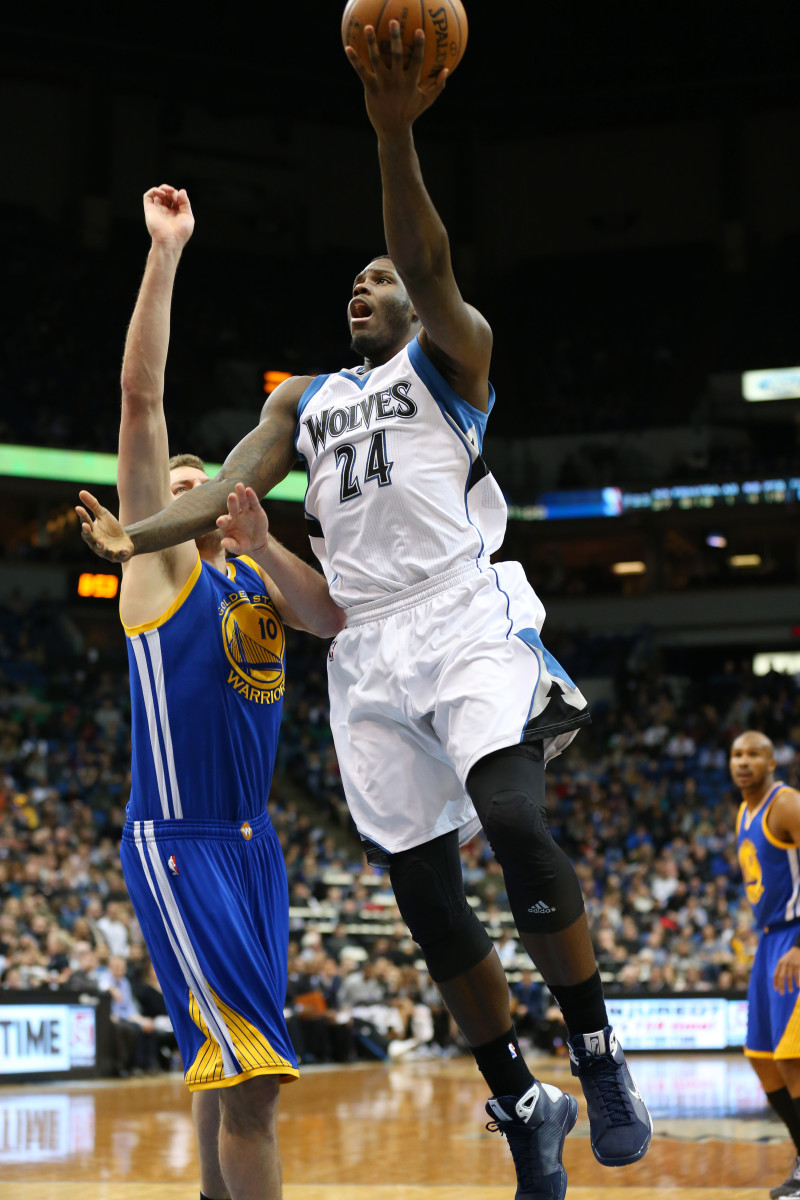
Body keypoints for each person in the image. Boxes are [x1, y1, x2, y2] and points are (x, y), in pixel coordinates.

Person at [77, 26, 651, 1198]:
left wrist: (392, 130)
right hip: (359, 655)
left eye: (377, 278)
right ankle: (516, 1097)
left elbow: (424, 257)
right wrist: (138, 535)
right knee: (423, 899)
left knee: (513, 818)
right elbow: (224, 468)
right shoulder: (305, 401)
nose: (365, 281)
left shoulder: (453, 356)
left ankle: (594, 1056)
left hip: (455, 618)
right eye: (356, 278)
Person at [76, 184, 344, 1200]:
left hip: (252, 841)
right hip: (179, 837)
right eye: (173, 481)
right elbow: (141, 400)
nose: (185, 485)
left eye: (204, 478)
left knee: (222, 1056)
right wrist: (165, 251)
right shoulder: (160, 571)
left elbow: (328, 620)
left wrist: (267, 543)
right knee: (257, 1086)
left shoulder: (247, 571)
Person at [732, 730, 800, 1200]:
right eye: (737, 754)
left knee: (793, 1058)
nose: (744, 761)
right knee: (762, 1058)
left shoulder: (787, 803)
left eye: (754, 754)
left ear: (772, 762)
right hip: (769, 939)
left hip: (796, 937)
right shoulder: (742, 811)